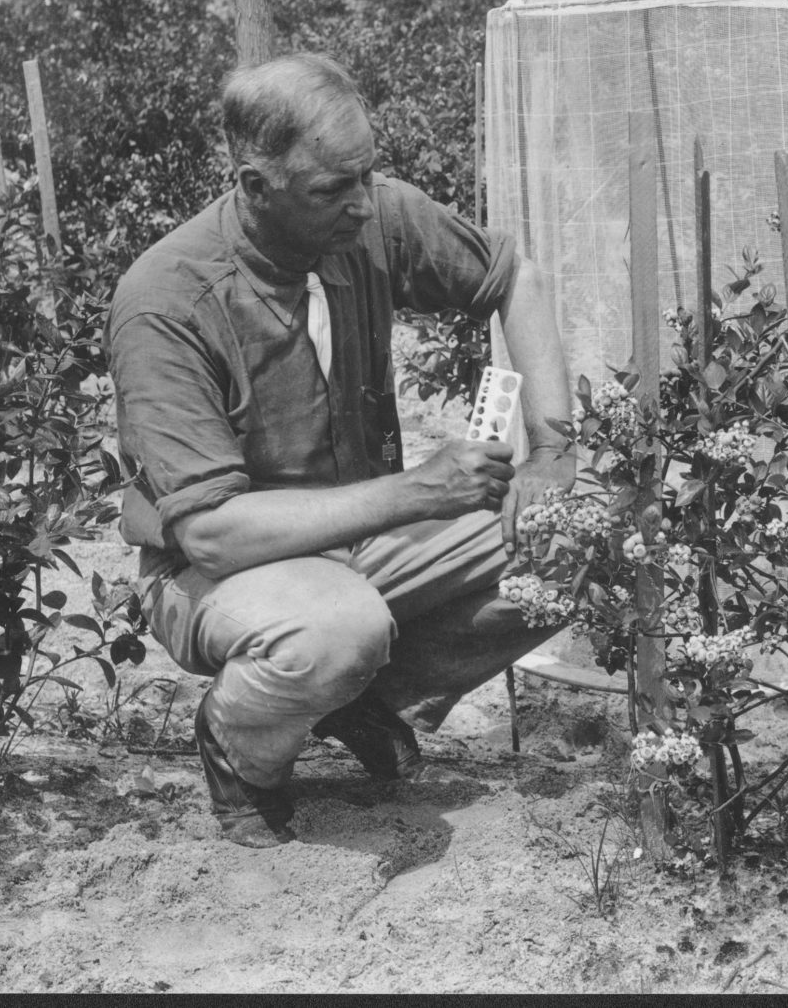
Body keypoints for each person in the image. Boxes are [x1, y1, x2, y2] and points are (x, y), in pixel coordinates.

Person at [107, 51, 576, 848]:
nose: (364, 206)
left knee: (589, 526)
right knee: (332, 629)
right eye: (333, 189)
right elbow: (211, 531)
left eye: (368, 175)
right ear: (257, 187)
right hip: (225, 570)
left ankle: (368, 696)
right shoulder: (167, 302)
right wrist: (416, 493)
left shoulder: (369, 215)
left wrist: (553, 451)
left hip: (362, 536)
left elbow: (514, 275)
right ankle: (239, 751)